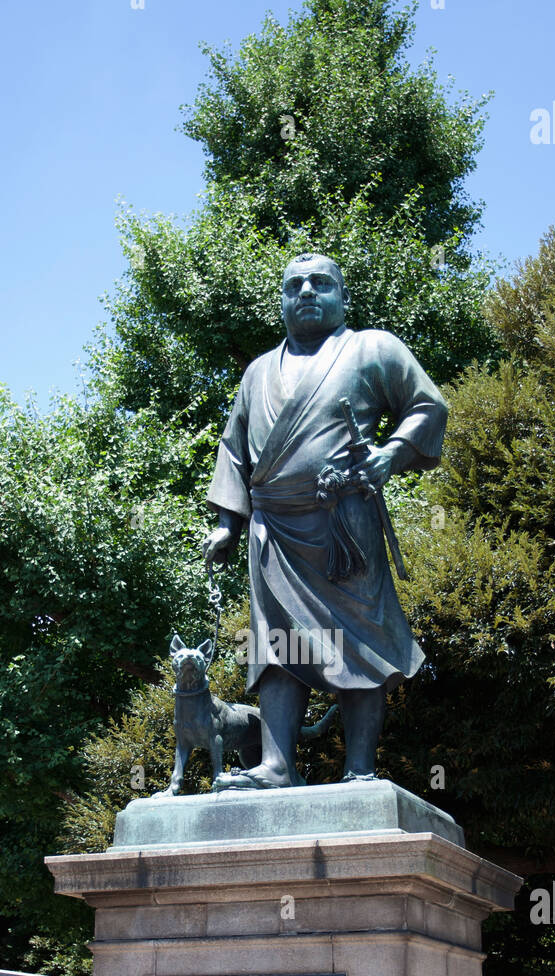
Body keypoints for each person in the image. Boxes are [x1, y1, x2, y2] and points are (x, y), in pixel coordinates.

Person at [203, 252, 448, 789]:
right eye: (295, 284)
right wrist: (227, 522)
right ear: (283, 300)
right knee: (275, 647)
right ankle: (277, 765)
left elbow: (429, 406)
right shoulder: (258, 372)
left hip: (344, 522)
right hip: (273, 532)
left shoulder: (372, 349)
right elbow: (235, 450)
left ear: (342, 295)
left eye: (320, 283)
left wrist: (392, 452)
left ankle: (360, 769)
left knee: (358, 639)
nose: (308, 291)